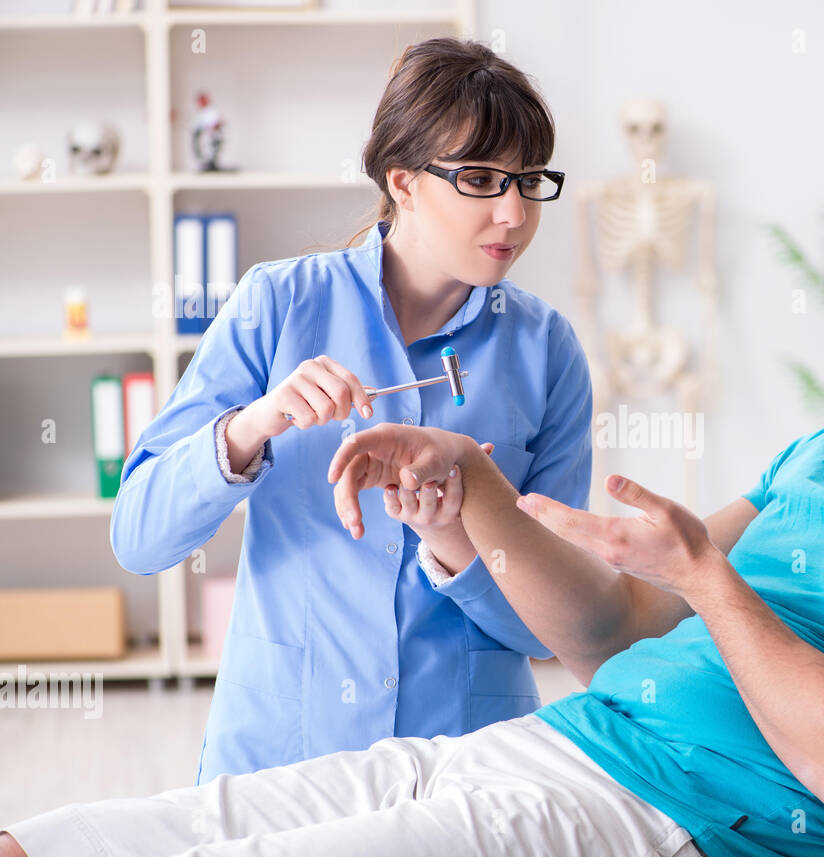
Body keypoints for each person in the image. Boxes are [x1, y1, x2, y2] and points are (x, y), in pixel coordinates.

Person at [2, 145, 824, 857]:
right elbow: (611, 633)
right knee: (131, 838)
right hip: (550, 750)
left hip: (665, 825)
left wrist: (709, 580)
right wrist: (475, 494)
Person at [107, 37, 593, 785]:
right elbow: (140, 538)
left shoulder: (548, 350)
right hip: (280, 757)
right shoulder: (277, 303)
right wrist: (250, 428)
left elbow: (557, 626)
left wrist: (453, 539)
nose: (515, 212)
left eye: (529, 181)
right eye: (482, 179)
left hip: (460, 772)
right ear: (403, 181)